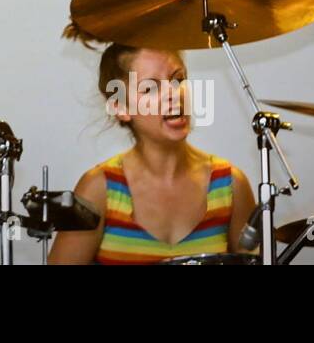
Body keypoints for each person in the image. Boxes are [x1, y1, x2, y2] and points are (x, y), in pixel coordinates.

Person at [48, 36, 258, 264]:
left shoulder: (229, 184)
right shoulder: (99, 189)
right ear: (120, 107)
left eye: (178, 79)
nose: (174, 93)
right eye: (150, 87)